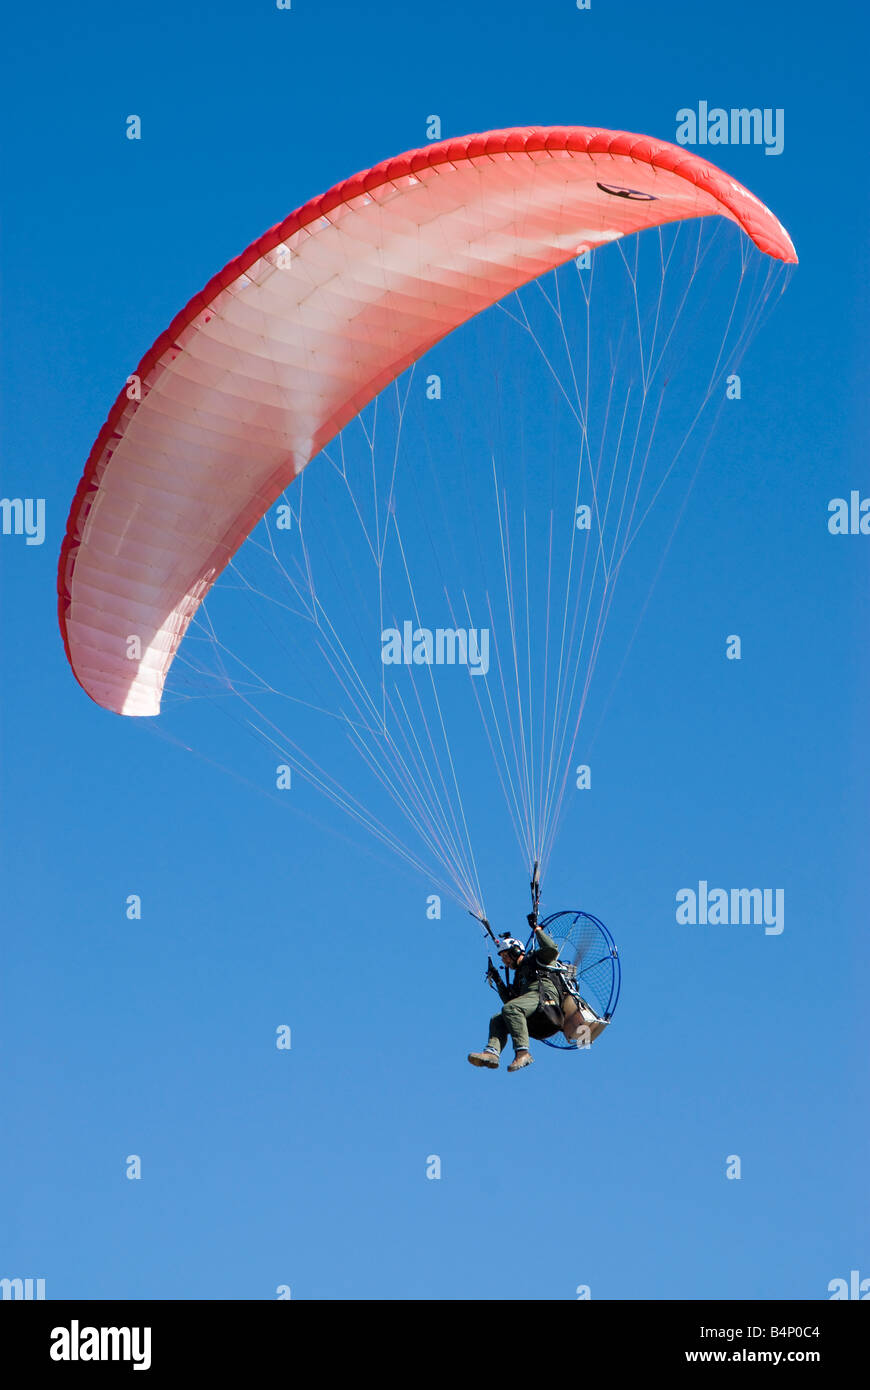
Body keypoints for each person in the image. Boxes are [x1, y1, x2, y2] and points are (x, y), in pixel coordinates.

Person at [468, 914, 561, 1071]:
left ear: (517, 951)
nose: (505, 961)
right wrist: (498, 980)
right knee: (498, 1019)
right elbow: (509, 1003)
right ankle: (492, 1053)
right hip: (535, 1014)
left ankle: (523, 1053)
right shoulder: (518, 978)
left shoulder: (535, 959)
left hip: (545, 998)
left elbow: (551, 950)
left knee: (510, 1009)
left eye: (506, 956)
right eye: (502, 958)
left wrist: (537, 930)